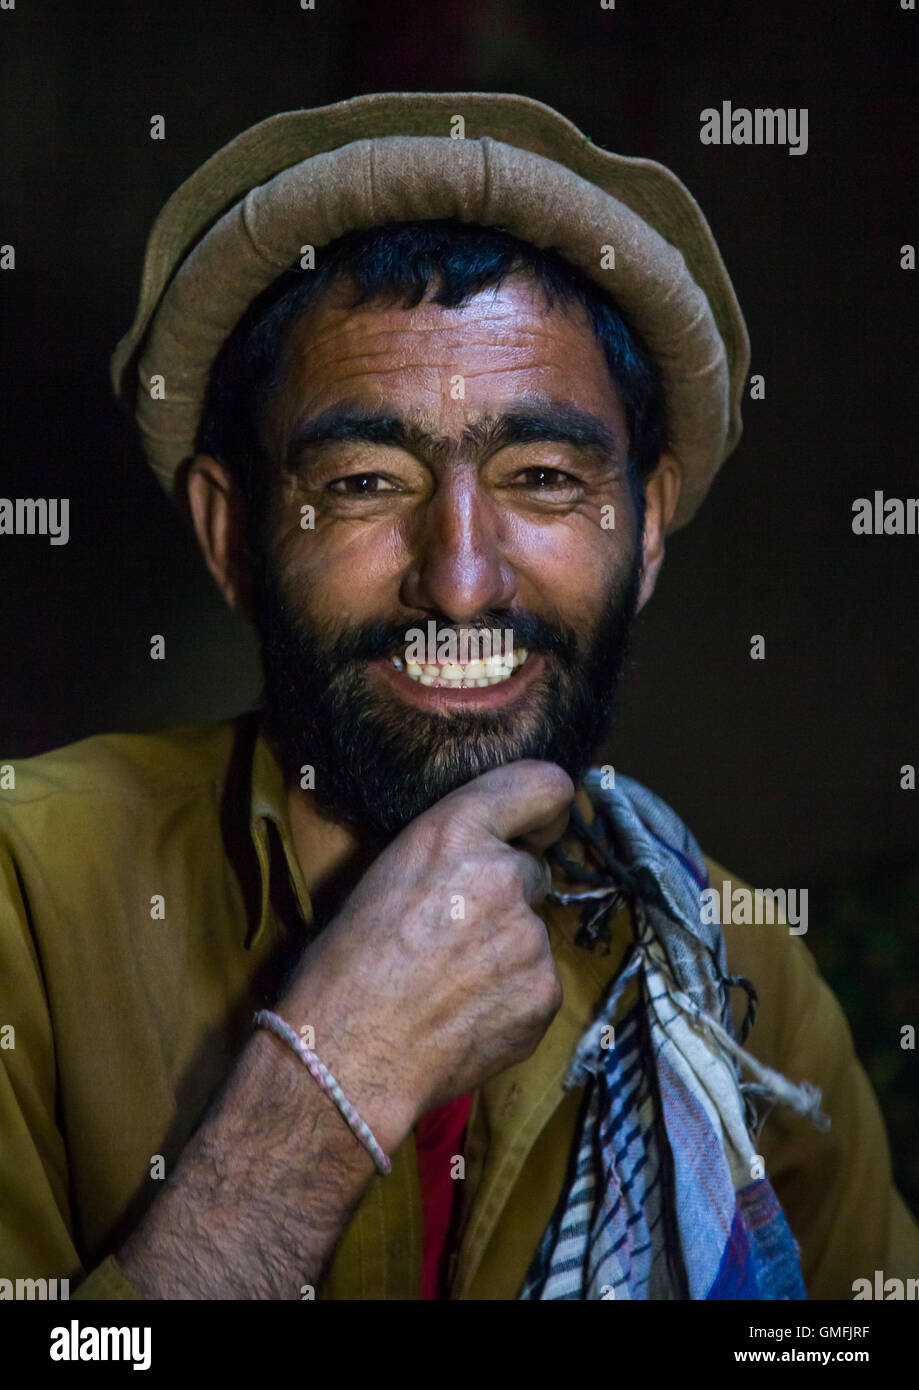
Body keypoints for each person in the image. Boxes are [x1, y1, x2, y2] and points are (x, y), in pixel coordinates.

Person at [1, 91, 916, 1302]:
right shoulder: (27, 897)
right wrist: (326, 1097)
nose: (462, 578)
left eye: (541, 477)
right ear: (234, 536)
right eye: (369, 480)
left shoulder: (728, 970)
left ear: (642, 531)